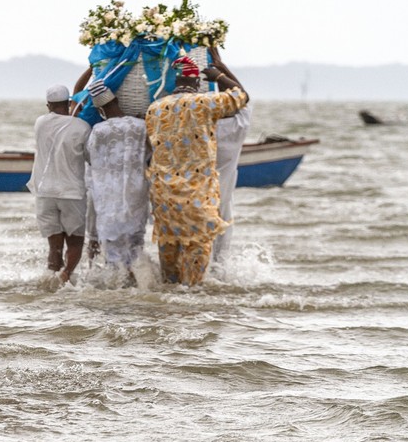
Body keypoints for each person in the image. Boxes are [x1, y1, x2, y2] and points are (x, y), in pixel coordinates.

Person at [145, 55, 249, 286]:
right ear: (196, 84)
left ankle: (168, 293)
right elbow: (241, 97)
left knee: (169, 246)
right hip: (197, 195)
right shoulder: (204, 104)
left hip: (164, 195)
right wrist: (219, 75)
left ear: (176, 82)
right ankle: (192, 300)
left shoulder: (154, 108)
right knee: (198, 248)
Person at [84, 79, 151, 282]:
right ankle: (136, 279)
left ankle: (118, 282)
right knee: (135, 240)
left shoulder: (99, 130)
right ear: (118, 100)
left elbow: (90, 158)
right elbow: (150, 154)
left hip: (108, 195)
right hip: (136, 190)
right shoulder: (141, 126)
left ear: (100, 110)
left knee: (112, 244)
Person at [27, 85, 91, 283]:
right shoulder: (82, 127)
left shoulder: (40, 123)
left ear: (48, 105)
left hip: (44, 192)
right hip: (72, 193)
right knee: (75, 242)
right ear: (69, 103)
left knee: (54, 245)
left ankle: (51, 278)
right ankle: (66, 276)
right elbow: (90, 157)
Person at [209, 47, 252, 262]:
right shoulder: (236, 129)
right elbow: (242, 97)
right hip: (221, 198)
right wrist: (220, 70)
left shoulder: (197, 125)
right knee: (221, 245)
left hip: (193, 197)